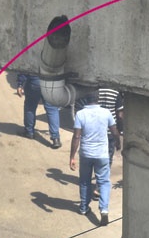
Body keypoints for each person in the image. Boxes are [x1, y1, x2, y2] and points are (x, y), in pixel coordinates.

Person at [69, 95, 120, 225]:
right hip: (102, 154)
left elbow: (76, 137)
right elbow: (114, 131)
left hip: (86, 153)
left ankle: (84, 208)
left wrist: (72, 156)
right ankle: (104, 210)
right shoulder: (106, 112)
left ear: (86, 99)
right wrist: (118, 143)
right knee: (103, 182)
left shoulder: (80, 114)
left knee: (85, 181)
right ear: (98, 99)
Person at [15, 72, 62, 148]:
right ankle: (55, 138)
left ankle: (29, 132)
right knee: (52, 110)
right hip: (50, 83)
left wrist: (20, 84)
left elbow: (25, 68)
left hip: (34, 82)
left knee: (30, 107)